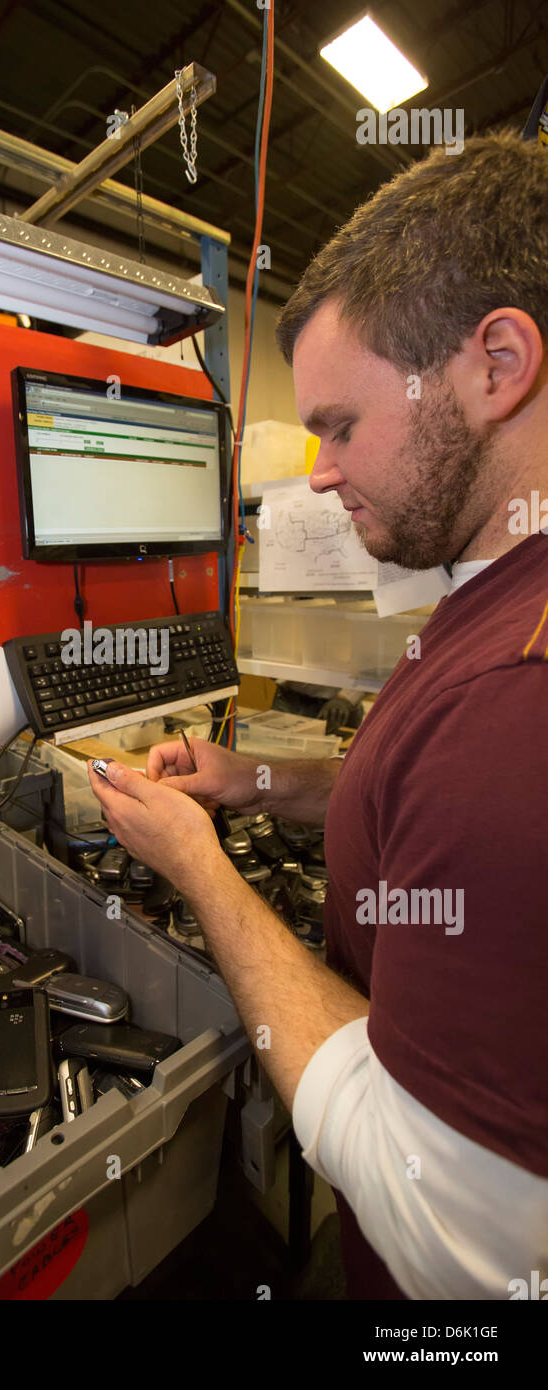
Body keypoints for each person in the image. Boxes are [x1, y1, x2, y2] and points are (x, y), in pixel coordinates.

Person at [88, 131, 548, 1300]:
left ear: (496, 365)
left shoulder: (516, 697)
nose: (322, 472)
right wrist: (252, 787)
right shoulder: (491, 593)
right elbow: (413, 805)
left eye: (340, 425)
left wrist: (199, 867)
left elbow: (447, 1228)